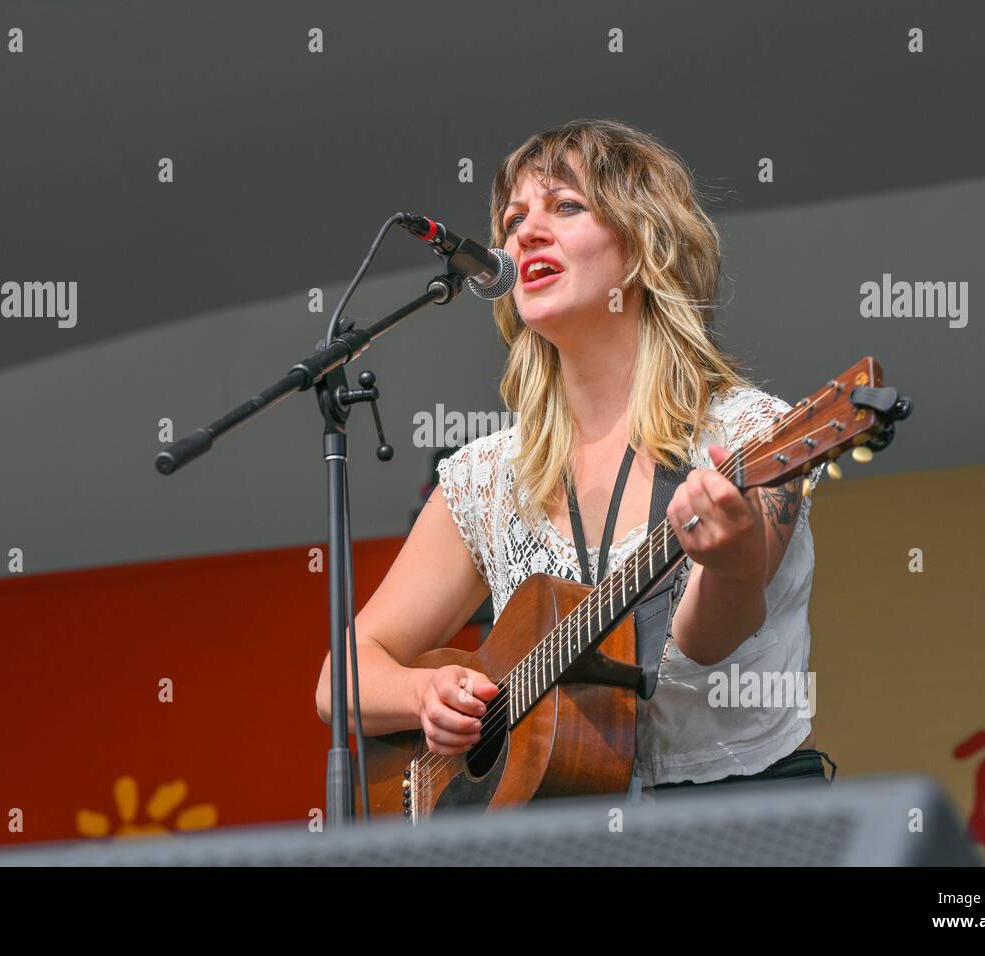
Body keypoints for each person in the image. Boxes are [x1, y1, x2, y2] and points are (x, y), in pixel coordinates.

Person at [315, 118, 834, 795]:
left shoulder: (751, 435)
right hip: (561, 834)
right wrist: (425, 695)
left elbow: (711, 641)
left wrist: (731, 562)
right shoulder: (487, 479)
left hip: (739, 819)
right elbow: (340, 679)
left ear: (647, 245)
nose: (525, 232)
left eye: (565, 206)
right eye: (513, 217)